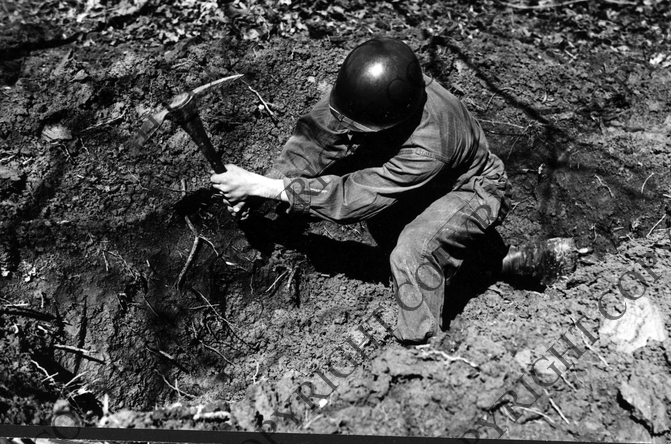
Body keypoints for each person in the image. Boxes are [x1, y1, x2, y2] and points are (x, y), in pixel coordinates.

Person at [210, 37, 576, 345]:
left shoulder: (431, 143)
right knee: (398, 236)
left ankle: (421, 353)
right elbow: (318, 136)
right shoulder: (378, 87)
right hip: (427, 186)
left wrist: (268, 187)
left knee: (412, 253)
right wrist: (263, 189)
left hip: (477, 192)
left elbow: (356, 196)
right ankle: (495, 265)